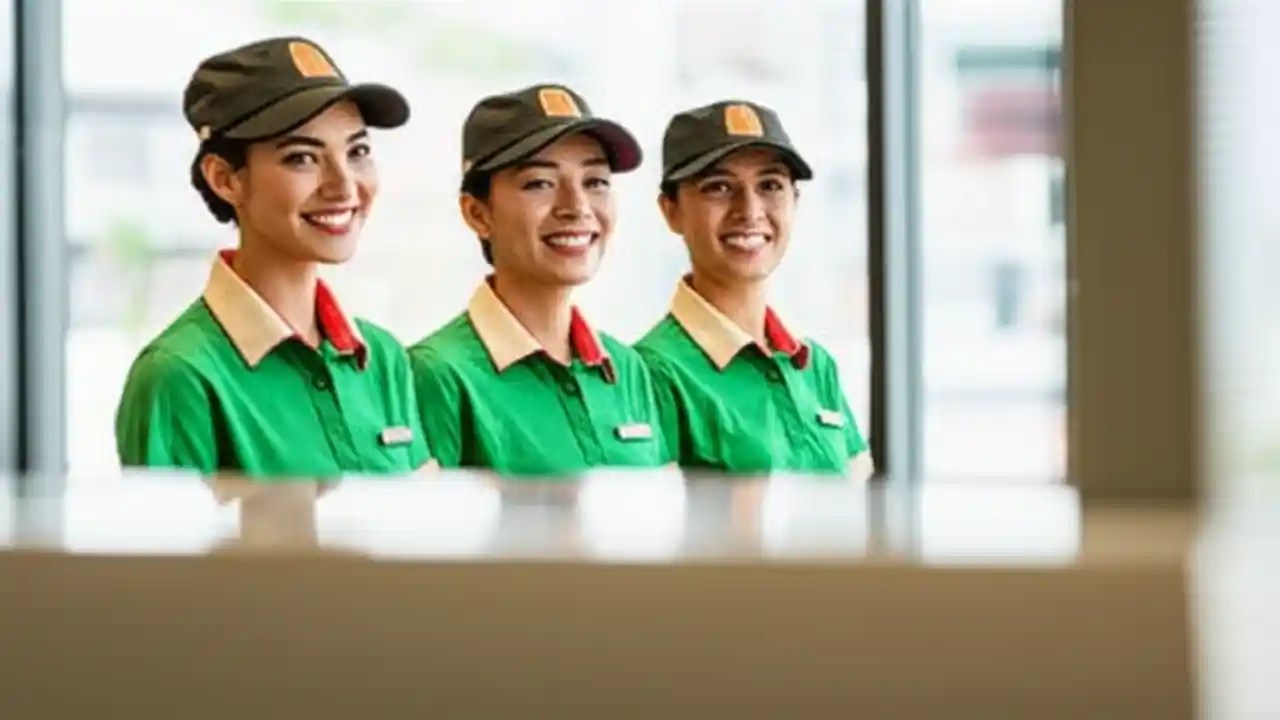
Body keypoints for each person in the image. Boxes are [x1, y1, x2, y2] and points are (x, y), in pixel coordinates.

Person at [115, 37, 430, 477]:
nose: (344, 185)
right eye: (302, 158)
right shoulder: (179, 376)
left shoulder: (384, 360)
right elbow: (164, 545)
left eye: (357, 152)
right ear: (226, 179)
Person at [408, 84, 665, 477]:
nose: (576, 207)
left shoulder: (626, 368)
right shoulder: (438, 374)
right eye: (539, 183)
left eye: (595, 182)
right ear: (477, 213)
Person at [635, 100, 873, 478]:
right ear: (671, 210)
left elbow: (861, 508)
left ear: (795, 201)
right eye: (719, 187)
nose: (749, 210)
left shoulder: (816, 366)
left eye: (770, 186)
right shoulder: (650, 374)